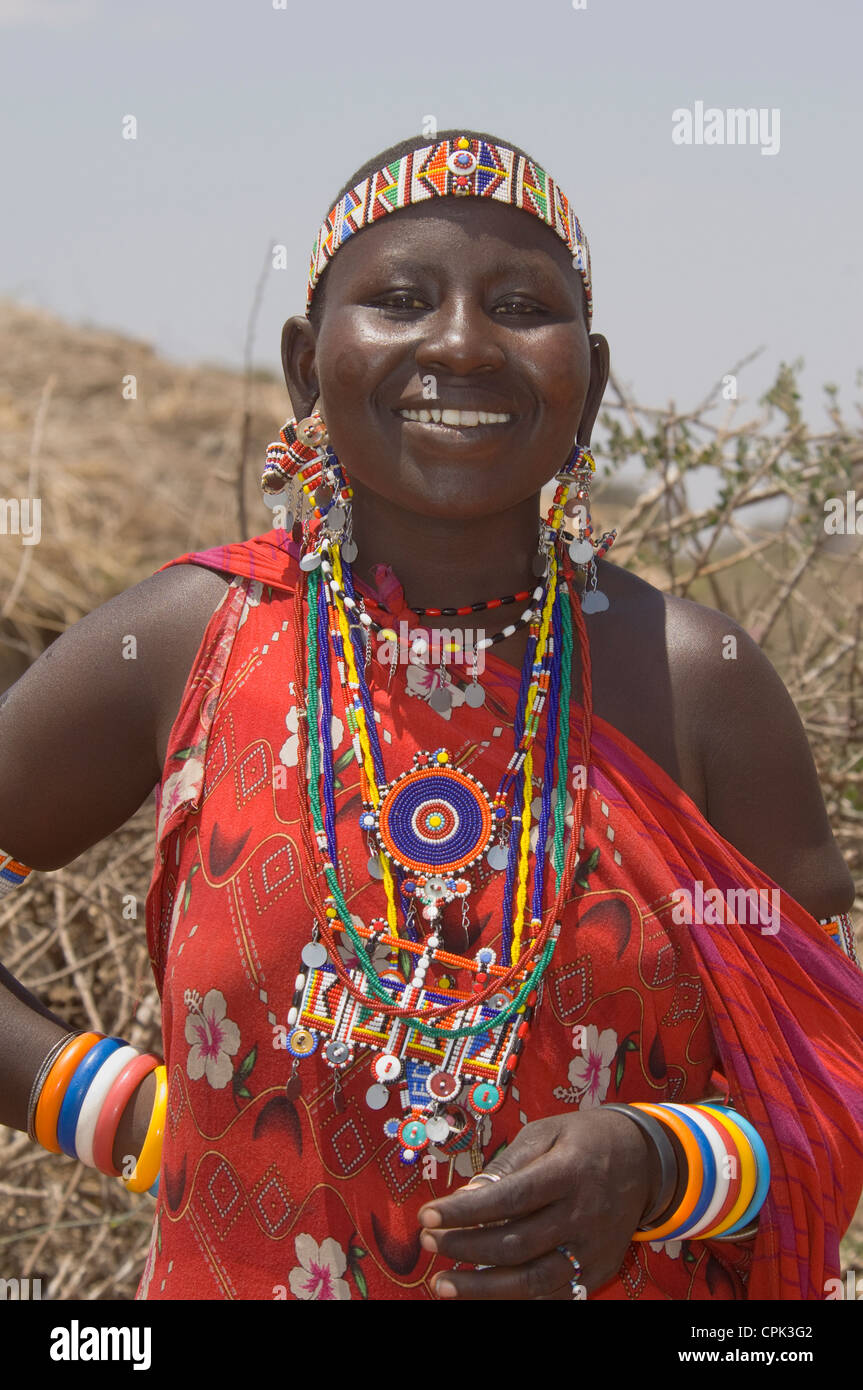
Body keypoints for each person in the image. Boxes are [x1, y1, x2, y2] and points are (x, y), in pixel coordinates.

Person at [2, 128, 862, 1303]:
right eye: (401, 298)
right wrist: (136, 1115)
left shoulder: (692, 679)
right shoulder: (190, 642)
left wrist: (657, 1164)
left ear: (591, 379)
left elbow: (828, 1077)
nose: (460, 342)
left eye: (520, 305)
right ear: (307, 364)